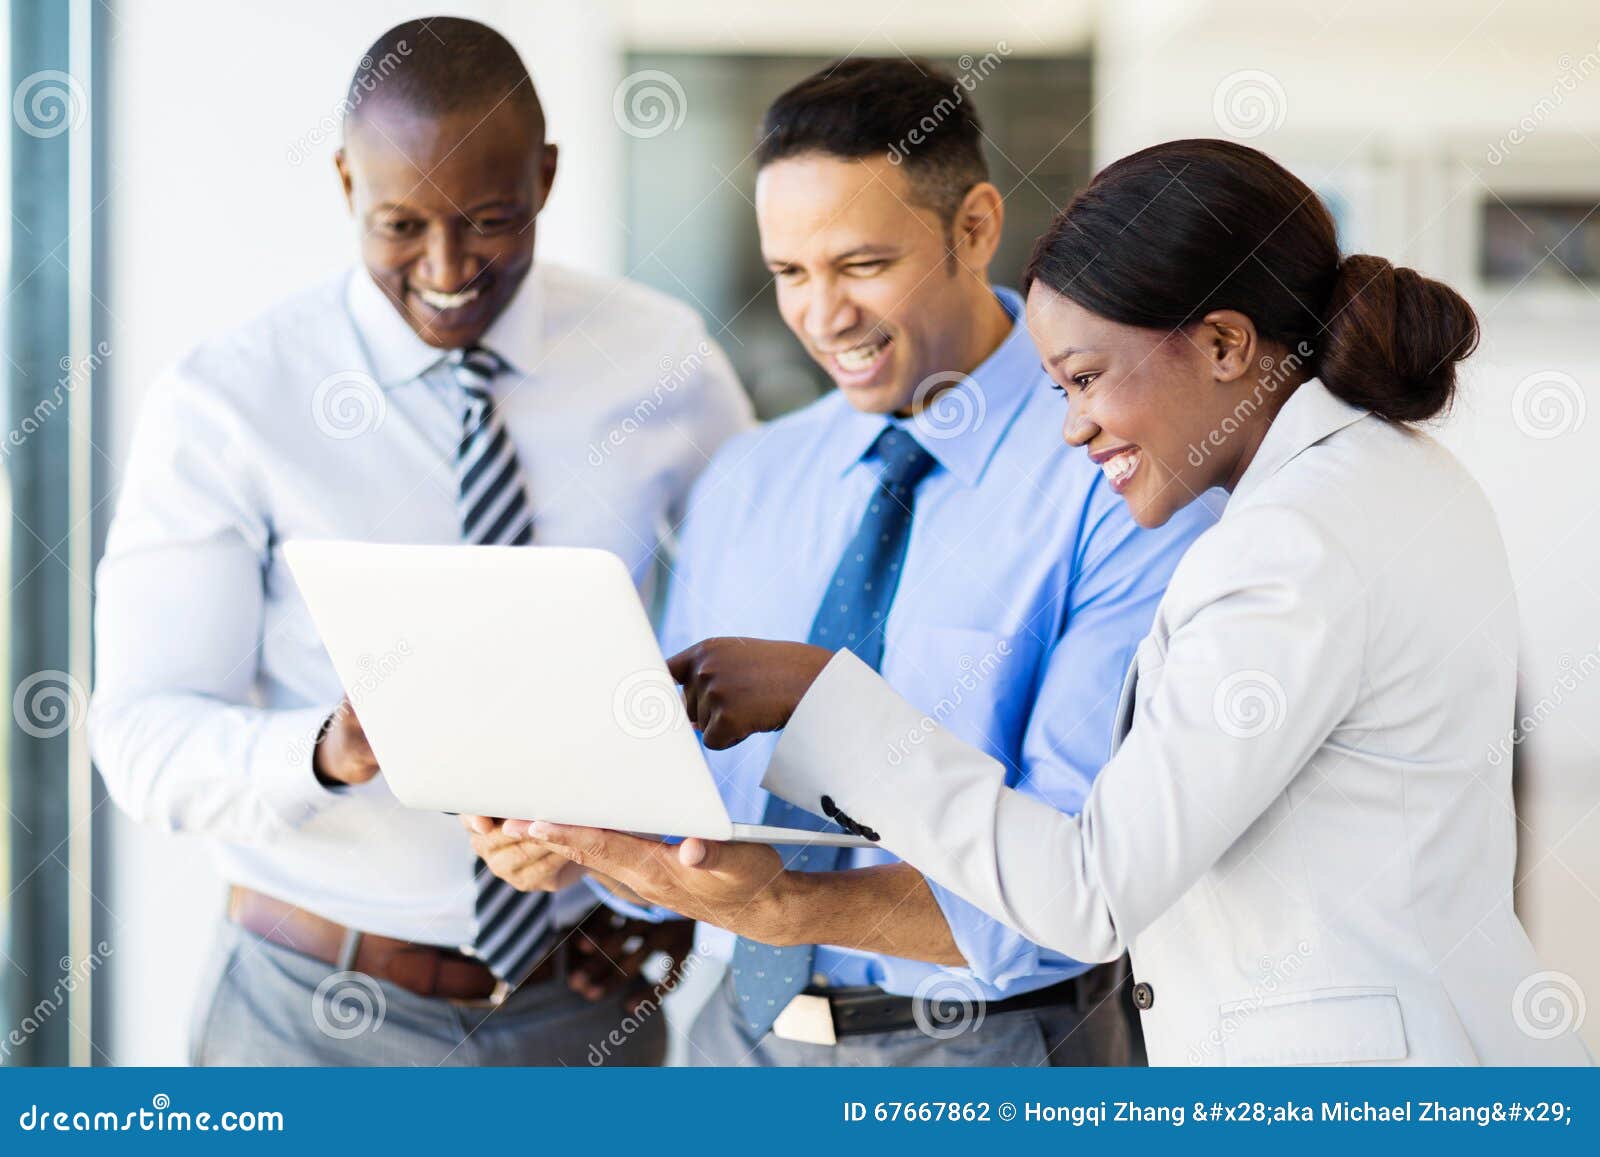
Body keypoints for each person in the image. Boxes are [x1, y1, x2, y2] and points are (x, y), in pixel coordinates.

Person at [533, 139, 1595, 1066]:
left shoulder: (1287, 549)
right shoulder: (1391, 474)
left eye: (1086, 379)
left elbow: (1088, 893)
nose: (1072, 427)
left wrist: (825, 702)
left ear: (1226, 345)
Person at [474, 59, 1217, 1067]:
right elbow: (677, 793)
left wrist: (788, 906)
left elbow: (1077, 886)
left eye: (861, 264)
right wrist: (575, 844)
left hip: (989, 1052)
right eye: (789, 273)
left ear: (975, 225)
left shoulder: (1120, 479)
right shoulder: (748, 478)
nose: (822, 315)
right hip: (739, 1045)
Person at [89, 17, 750, 1066]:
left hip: (577, 1009)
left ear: (546, 175)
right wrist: (329, 748)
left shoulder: (657, 359)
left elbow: (753, 645)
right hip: (307, 1018)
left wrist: (677, 882)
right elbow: (140, 740)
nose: (447, 267)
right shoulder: (230, 399)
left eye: (490, 219)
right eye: (401, 223)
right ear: (346, 181)